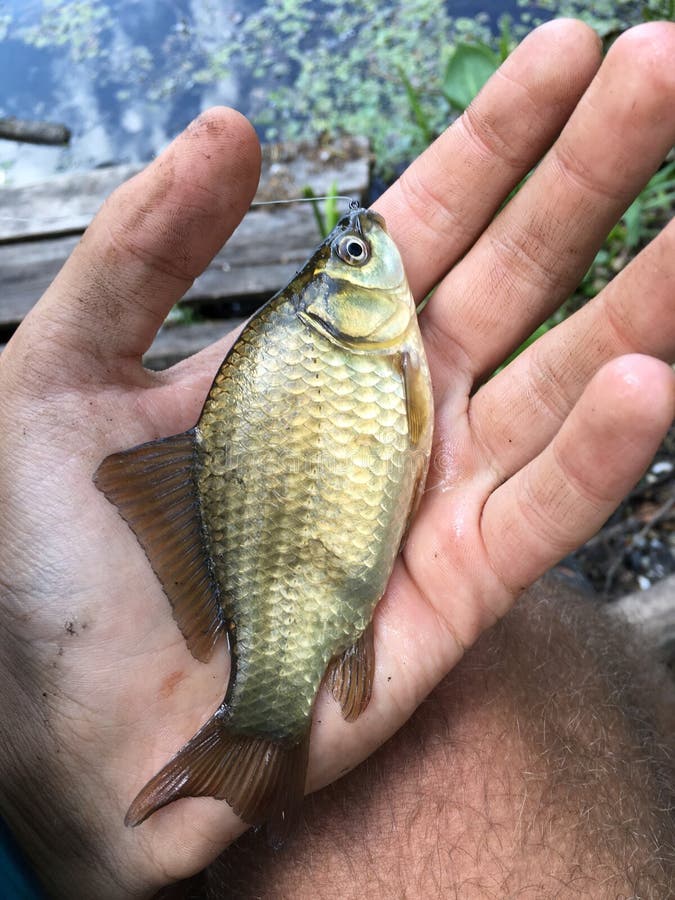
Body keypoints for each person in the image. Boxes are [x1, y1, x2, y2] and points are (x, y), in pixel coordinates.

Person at [0, 17, 673, 899]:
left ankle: (247, 750)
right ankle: (257, 735)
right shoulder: (352, 350)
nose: (365, 245)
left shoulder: (357, 347)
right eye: (352, 254)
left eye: (349, 251)